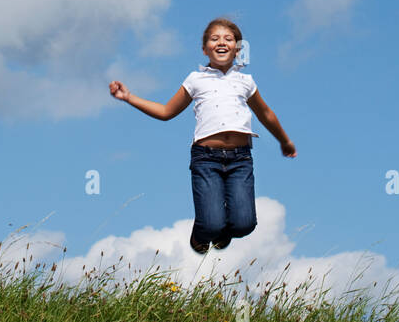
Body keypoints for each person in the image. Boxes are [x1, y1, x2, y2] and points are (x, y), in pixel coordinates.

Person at [109, 18, 296, 254]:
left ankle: (218, 231)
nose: (221, 42)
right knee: (211, 222)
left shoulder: (245, 81)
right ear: (204, 48)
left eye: (228, 39)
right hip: (206, 159)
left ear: (238, 49)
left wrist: (284, 140)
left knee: (244, 224)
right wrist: (129, 97)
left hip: (240, 160)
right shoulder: (195, 79)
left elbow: (266, 114)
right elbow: (167, 112)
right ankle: (204, 231)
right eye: (214, 38)